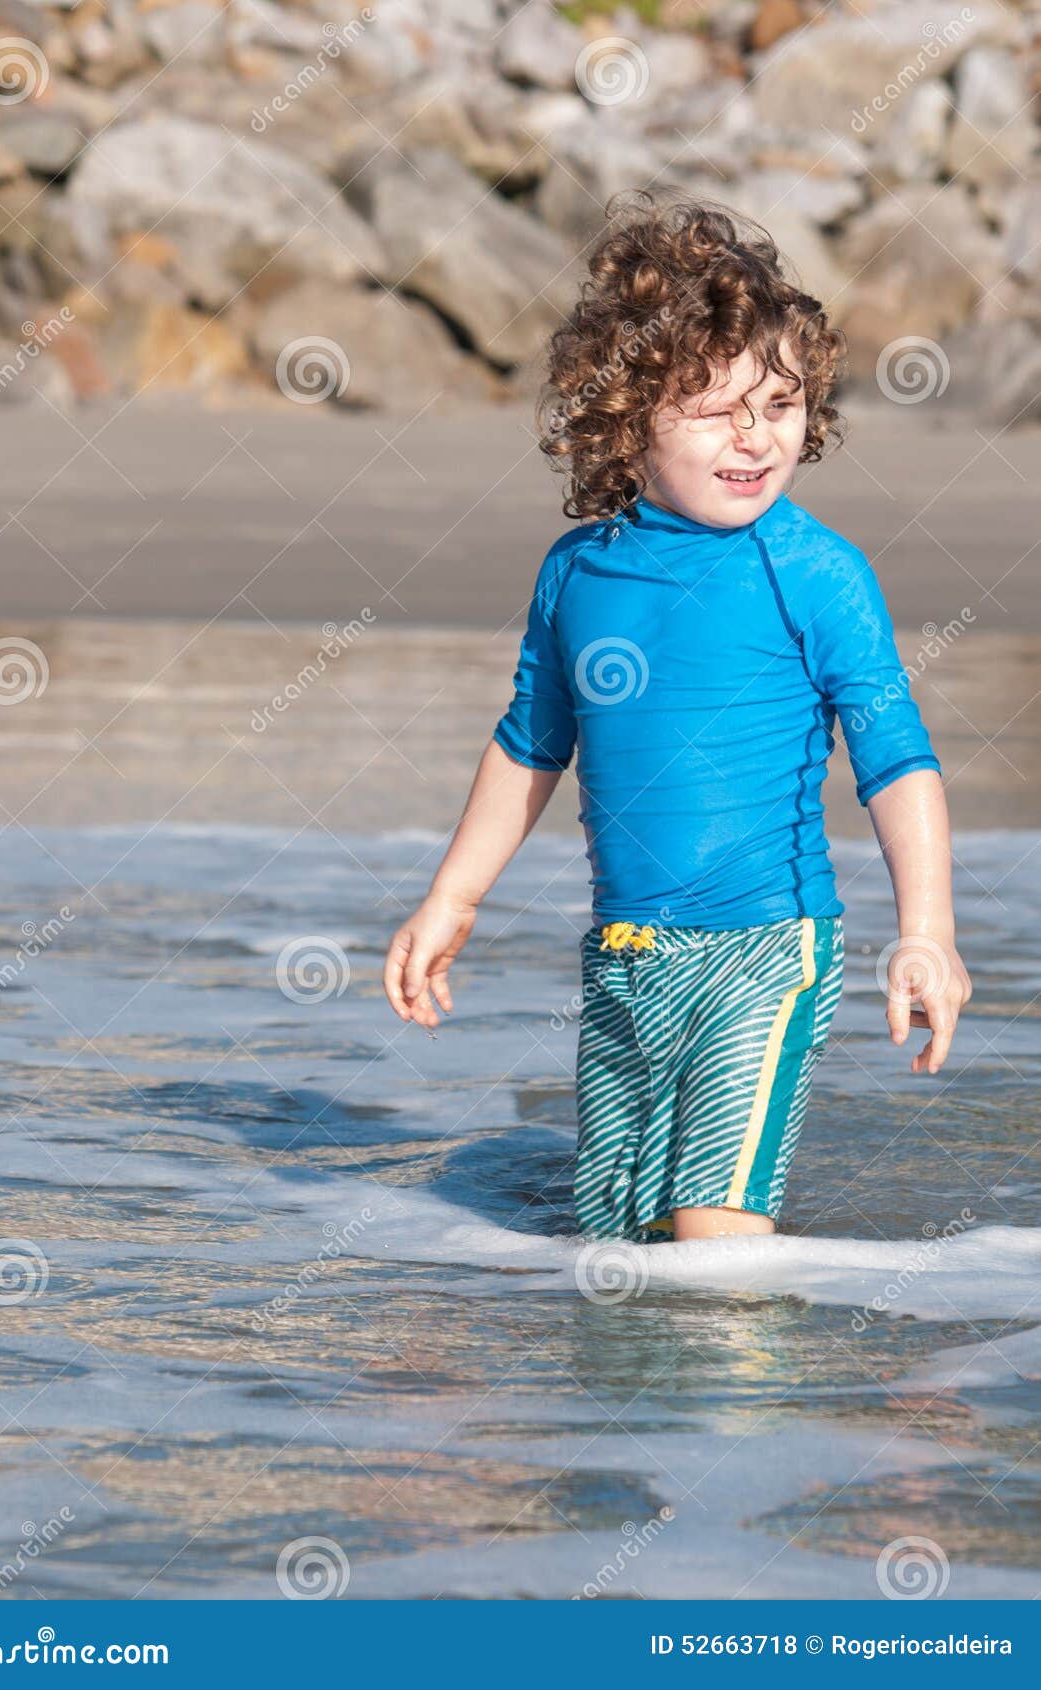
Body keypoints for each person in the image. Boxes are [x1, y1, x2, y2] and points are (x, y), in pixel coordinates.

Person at [382, 195, 971, 1245]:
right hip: (623, 953)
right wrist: (451, 897)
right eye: (715, 410)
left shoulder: (816, 573)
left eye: (781, 406)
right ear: (625, 416)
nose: (755, 438)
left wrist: (925, 931)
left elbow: (895, 758)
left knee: (711, 1243)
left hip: (768, 948)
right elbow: (530, 744)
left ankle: (752, 1399)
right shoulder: (578, 573)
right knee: (612, 1244)